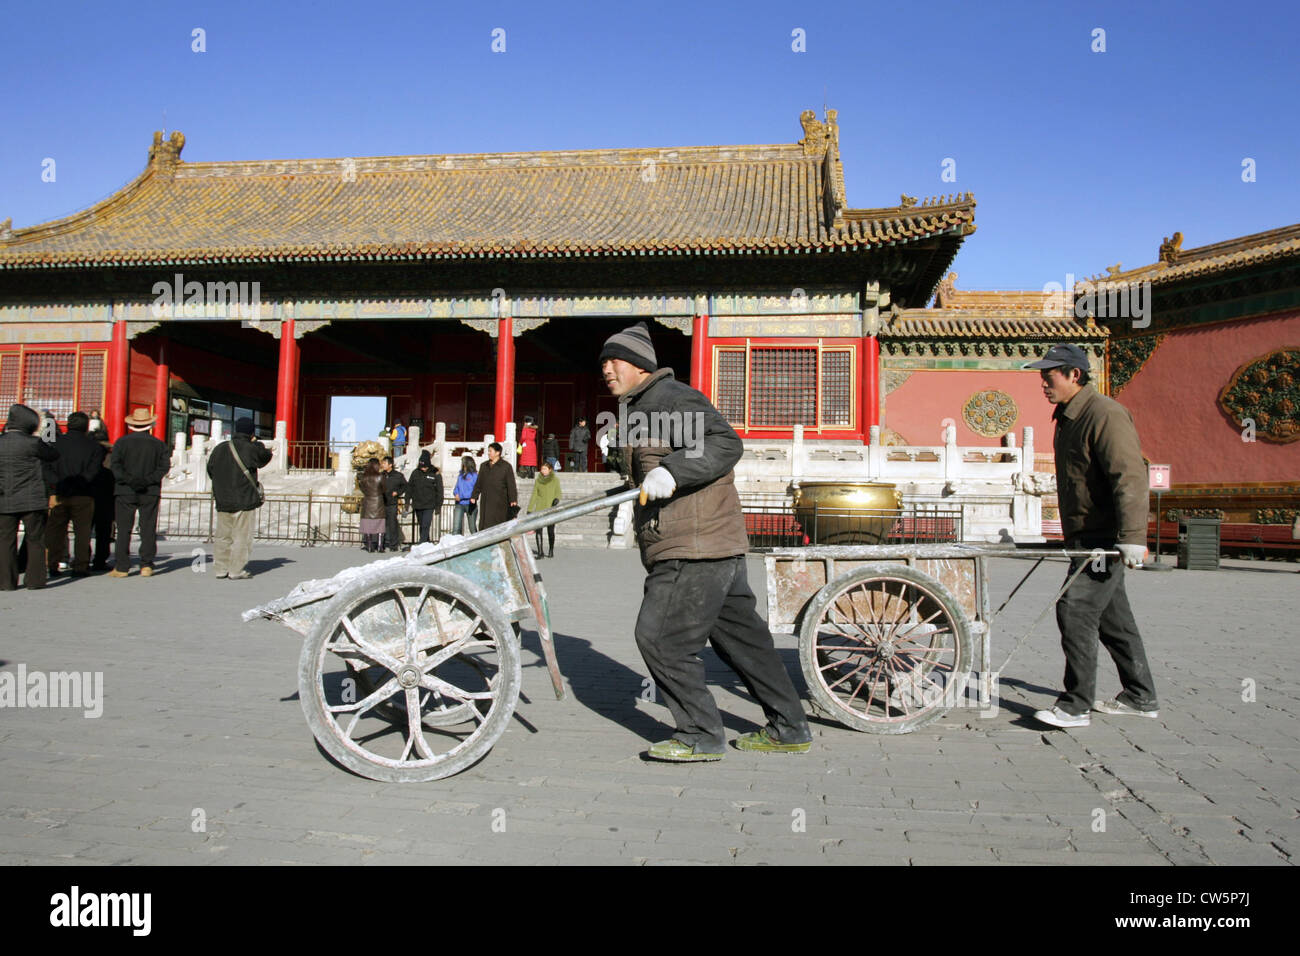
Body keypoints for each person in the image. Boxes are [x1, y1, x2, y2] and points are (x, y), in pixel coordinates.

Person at [600, 321, 812, 761]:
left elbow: (723, 442)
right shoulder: (640, 408)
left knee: (660, 638)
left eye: (615, 359)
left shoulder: (672, 398)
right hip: (715, 543)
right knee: (744, 642)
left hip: (693, 545)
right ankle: (789, 727)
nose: (606, 367)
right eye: (603, 360)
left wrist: (673, 471)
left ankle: (699, 733)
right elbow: (650, 471)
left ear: (640, 365)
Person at [1025, 343, 1158, 728]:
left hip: (1105, 538)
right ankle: (1140, 695)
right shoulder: (1068, 417)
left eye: (1049, 376)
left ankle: (1075, 705)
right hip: (1084, 536)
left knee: (1076, 609)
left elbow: (1128, 475)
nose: (1043, 383)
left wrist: (1133, 535)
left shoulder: (1105, 414)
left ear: (1074, 375)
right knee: (1114, 621)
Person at [0, 404, 60, 590]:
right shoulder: (33, 443)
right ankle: (34, 580)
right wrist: (43, 436)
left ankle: (6, 582)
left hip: (4, 498)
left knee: (5, 540)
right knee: (35, 540)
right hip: (32, 498)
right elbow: (53, 454)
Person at [206, 416, 273, 579]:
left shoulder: (220, 448)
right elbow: (265, 457)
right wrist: (257, 443)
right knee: (242, 536)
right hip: (244, 499)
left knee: (223, 536)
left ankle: (221, 569)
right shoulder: (250, 448)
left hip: (223, 498)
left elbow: (210, 470)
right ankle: (236, 570)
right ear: (251, 432)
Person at [109, 409, 170, 577]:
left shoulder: (121, 443)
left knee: (123, 529)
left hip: (125, 490)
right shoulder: (159, 444)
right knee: (148, 528)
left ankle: (122, 566)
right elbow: (164, 467)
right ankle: (146, 564)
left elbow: (115, 466)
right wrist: (148, 480)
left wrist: (129, 480)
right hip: (150, 491)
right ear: (149, 425)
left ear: (131, 424)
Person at [44, 411, 105, 578]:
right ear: (86, 427)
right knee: (82, 532)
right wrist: (78, 483)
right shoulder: (95, 447)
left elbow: (46, 468)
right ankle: (80, 566)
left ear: (68, 425)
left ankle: (52, 564)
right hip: (84, 494)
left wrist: (59, 483)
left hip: (59, 493)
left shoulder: (55, 444)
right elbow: (93, 471)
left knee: (55, 531)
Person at [471, 442, 517, 530]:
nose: (488, 453)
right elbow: (479, 483)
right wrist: (474, 496)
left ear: (497, 453)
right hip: (486, 500)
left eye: (490, 451)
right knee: (485, 524)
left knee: (498, 524)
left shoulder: (506, 467)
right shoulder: (484, 466)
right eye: (488, 451)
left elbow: (511, 485)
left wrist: (513, 499)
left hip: (500, 501)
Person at [527, 460, 562, 558]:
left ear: (550, 470)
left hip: (551, 508)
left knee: (550, 531)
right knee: (538, 530)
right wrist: (530, 508)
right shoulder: (538, 480)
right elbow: (534, 494)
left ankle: (551, 550)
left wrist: (556, 499)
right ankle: (540, 552)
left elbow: (558, 492)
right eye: (542, 469)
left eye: (545, 469)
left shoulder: (555, 480)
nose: (543, 471)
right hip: (540, 508)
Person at [407, 451, 444, 544]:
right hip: (417, 504)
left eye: (425, 466)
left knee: (426, 525)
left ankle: (421, 543)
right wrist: (407, 501)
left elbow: (440, 490)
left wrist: (438, 505)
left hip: (429, 505)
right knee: (421, 525)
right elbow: (409, 487)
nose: (423, 468)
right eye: (421, 466)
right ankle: (426, 543)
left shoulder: (435, 473)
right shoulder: (415, 473)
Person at [380, 455, 408, 550]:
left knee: (392, 524)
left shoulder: (398, 476)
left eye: (384, 463)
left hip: (392, 503)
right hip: (382, 503)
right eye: (382, 463)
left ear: (390, 465)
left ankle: (393, 545)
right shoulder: (381, 475)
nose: (382, 465)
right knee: (382, 524)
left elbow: (405, 486)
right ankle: (382, 543)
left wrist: (397, 493)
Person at [357, 458, 385, 552]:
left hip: (368, 501)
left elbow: (361, 488)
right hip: (378, 501)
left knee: (368, 524)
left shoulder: (363, 477)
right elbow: (384, 488)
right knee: (380, 524)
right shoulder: (380, 476)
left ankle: (369, 546)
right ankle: (380, 546)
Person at [451, 456, 478, 535]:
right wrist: (456, 494)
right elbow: (457, 487)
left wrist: (462, 496)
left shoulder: (474, 475)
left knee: (472, 528)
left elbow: (475, 490)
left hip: (470, 504)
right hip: (459, 504)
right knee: (456, 528)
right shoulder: (460, 475)